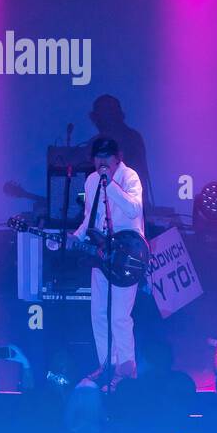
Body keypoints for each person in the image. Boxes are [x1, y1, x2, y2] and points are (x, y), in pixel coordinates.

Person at [72, 136, 145, 386]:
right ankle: (107, 363)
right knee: (99, 313)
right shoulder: (91, 181)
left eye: (106, 157)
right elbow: (89, 219)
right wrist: (77, 236)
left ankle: (127, 369)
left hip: (127, 255)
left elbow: (134, 209)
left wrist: (110, 185)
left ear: (117, 158)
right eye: (98, 157)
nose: (101, 161)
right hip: (102, 254)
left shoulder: (130, 177)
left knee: (120, 316)